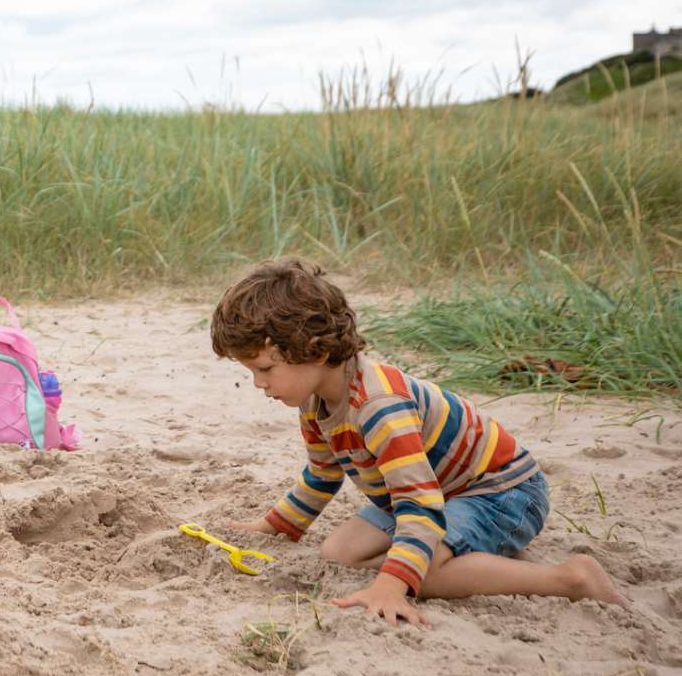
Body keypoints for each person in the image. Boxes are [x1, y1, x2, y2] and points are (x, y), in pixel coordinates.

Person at [212, 259, 626, 626]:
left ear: (316, 351)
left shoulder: (379, 406)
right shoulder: (313, 400)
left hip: (499, 492)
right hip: (430, 492)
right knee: (339, 552)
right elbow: (322, 474)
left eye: (265, 368)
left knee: (419, 577)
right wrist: (274, 527)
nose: (258, 383)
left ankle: (569, 578)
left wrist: (393, 583)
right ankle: (454, 556)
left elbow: (420, 502)